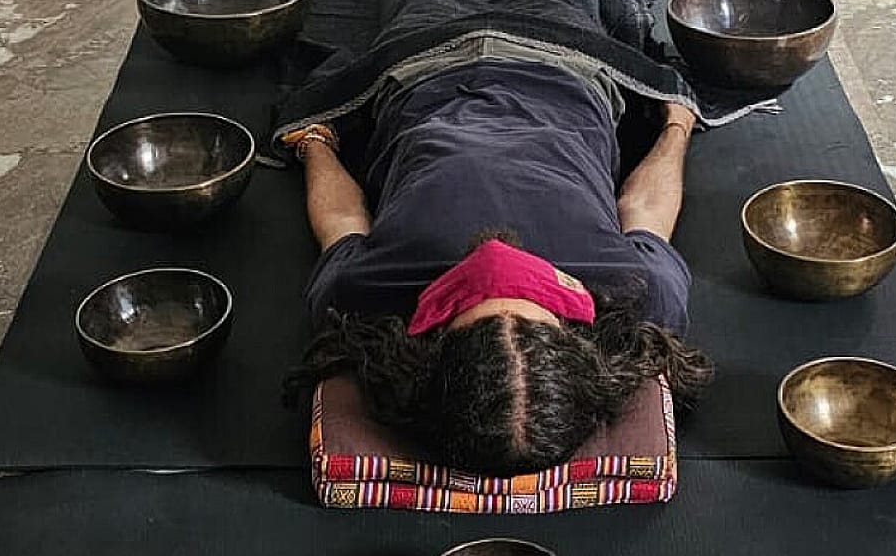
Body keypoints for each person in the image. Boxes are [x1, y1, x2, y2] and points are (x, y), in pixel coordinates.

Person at [280, 41, 712, 477]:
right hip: (568, 63)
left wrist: (315, 139)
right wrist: (677, 124)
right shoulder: (639, 295)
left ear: (428, 352)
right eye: (528, 306)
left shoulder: (360, 298)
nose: (498, 263)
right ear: (578, 347)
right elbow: (645, 208)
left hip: (424, 65)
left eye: (476, 305)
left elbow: (341, 215)